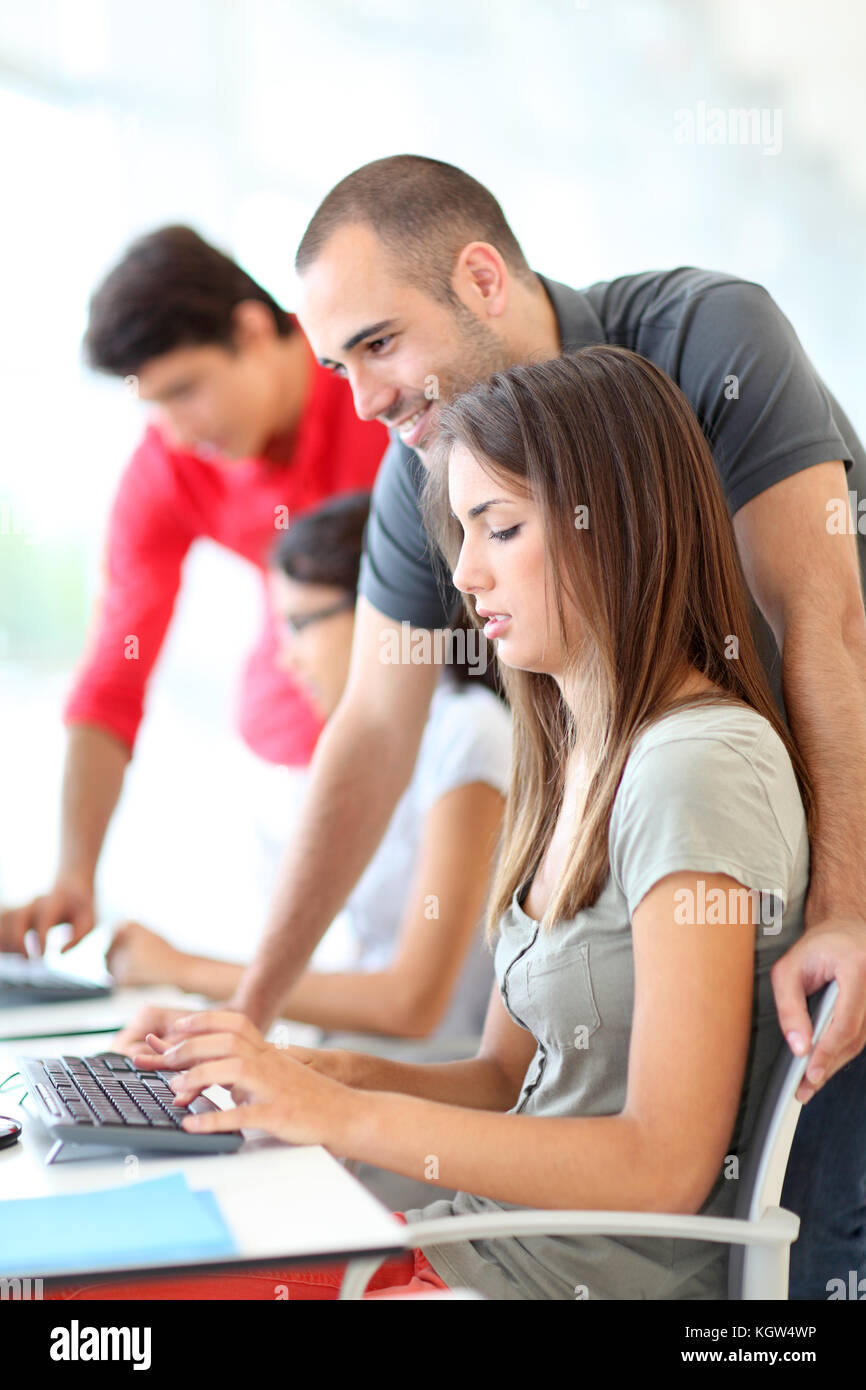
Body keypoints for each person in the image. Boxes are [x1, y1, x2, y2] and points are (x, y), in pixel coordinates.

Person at [116, 156, 866, 1300]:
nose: (361, 398)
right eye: (335, 363)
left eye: (375, 344)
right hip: (508, 1232)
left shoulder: (708, 342)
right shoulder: (448, 494)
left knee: (804, 1247)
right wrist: (252, 1033)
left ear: (478, 277)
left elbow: (824, 623)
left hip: (806, 843)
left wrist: (845, 909)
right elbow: (370, 735)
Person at [0, 226, 386, 956]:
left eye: (185, 391)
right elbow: (113, 677)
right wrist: (74, 874)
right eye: (154, 405)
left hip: (436, 736)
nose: (176, 432)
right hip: (288, 763)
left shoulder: (381, 383)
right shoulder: (167, 469)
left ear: (249, 329)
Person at [108, 490, 510, 1055]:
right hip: (356, 1057)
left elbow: (413, 1003)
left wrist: (182, 968)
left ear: (378, 608)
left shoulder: (468, 732)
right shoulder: (373, 747)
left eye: (300, 624)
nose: (286, 658)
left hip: (430, 1080)